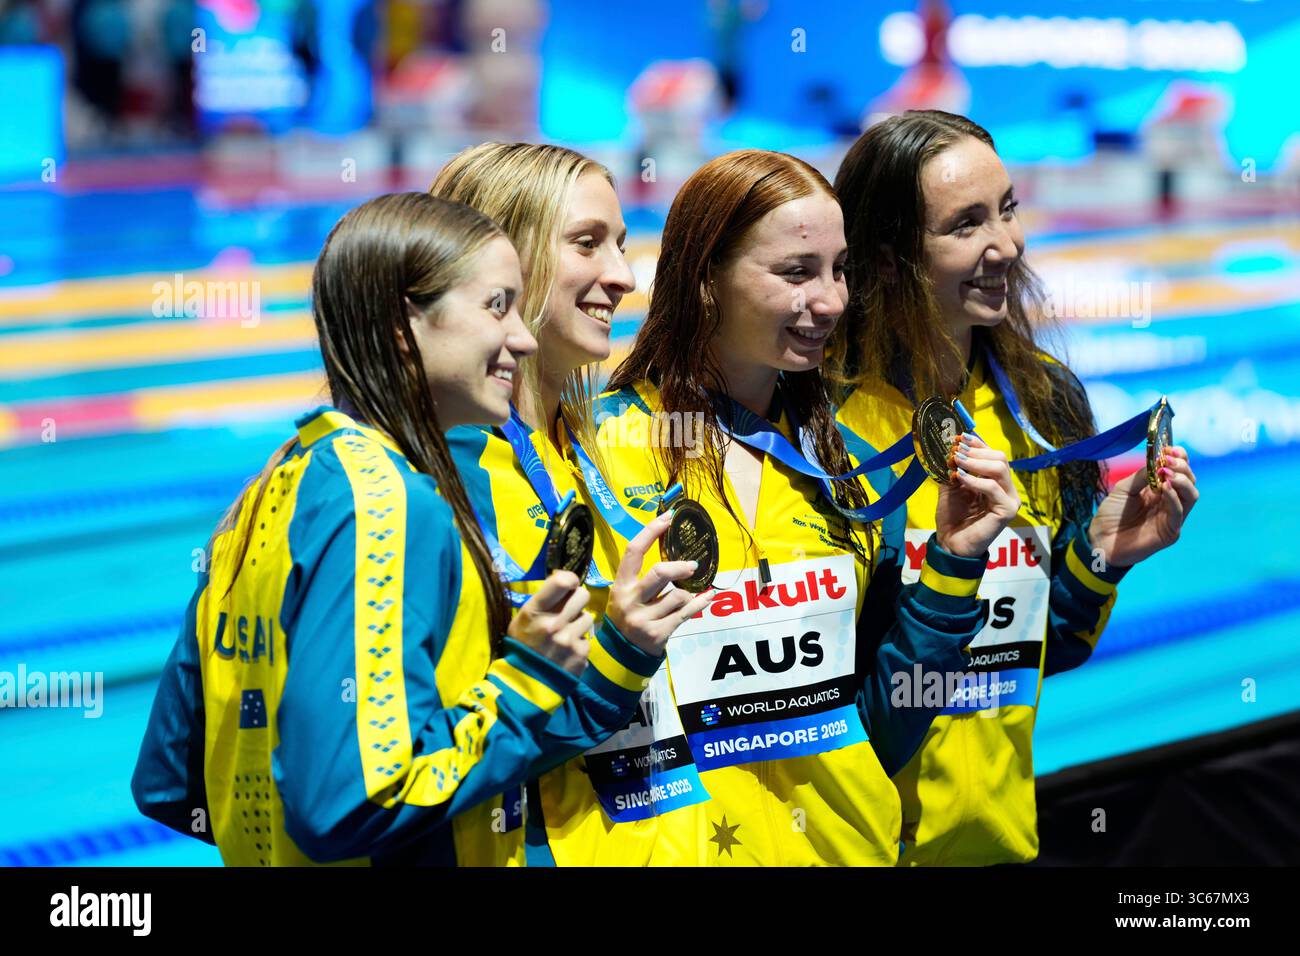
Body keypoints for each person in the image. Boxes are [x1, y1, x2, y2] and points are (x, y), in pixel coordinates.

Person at [131, 192, 610, 866]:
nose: (524, 339)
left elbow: (170, 781)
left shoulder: (276, 484)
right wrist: (528, 678)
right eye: (497, 307)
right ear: (399, 325)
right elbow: (354, 801)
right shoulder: (389, 505)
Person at [596, 149, 1021, 865]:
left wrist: (955, 563)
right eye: (796, 273)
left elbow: (888, 725)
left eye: (840, 269)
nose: (830, 301)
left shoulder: (852, 471)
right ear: (704, 281)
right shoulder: (602, 455)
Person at [829, 110, 1200, 866]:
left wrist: (1099, 561)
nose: (1007, 244)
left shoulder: (1042, 403)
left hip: (1000, 845)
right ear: (891, 253)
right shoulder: (822, 427)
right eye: (966, 224)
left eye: (1007, 209)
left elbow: (1035, 650)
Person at [430, 143, 716, 866]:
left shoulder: (595, 453)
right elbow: (439, 754)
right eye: (587, 244)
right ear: (503, 260)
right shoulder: (448, 486)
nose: (621, 276)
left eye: (620, 245)